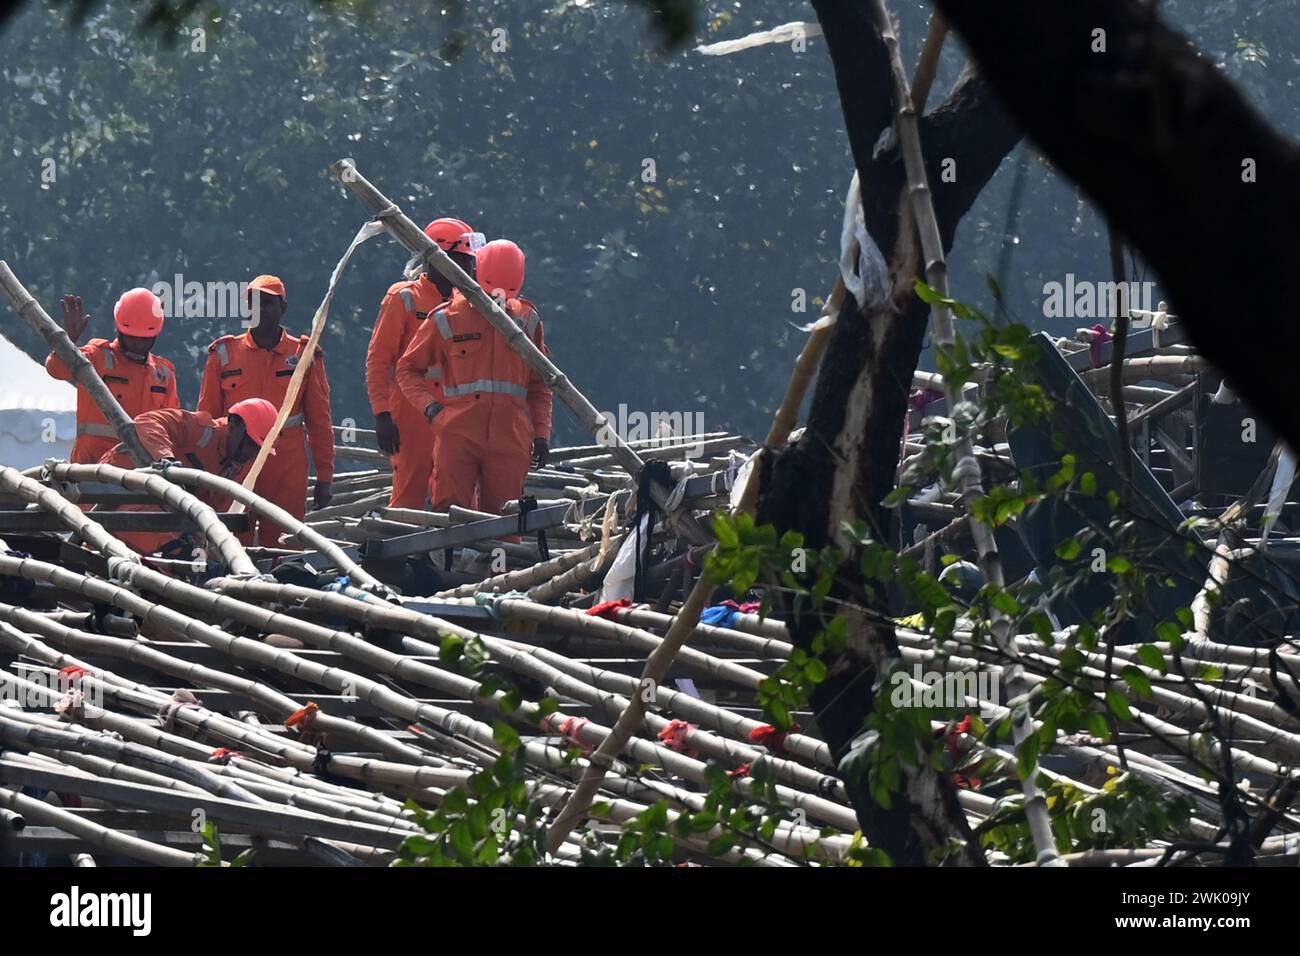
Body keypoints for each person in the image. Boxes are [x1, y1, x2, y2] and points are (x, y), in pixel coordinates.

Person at [395, 239, 552, 517]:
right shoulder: (447, 317)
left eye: (504, 295)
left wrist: (541, 433)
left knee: (506, 520)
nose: (498, 300)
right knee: (450, 515)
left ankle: (501, 562)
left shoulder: (528, 320)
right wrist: (430, 408)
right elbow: (407, 369)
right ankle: (447, 561)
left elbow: (540, 384)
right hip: (458, 432)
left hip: (510, 437)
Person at [197, 275, 335, 544]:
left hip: (287, 467)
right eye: (252, 303)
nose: (259, 310)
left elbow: (320, 421)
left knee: (285, 546)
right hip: (235, 465)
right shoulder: (223, 354)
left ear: (283, 308)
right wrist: (206, 472)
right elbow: (207, 419)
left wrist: (325, 476)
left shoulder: (304, 354)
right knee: (230, 541)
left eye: (267, 304)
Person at [366, 217, 480, 508]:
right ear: (438, 258)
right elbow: (379, 360)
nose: (470, 268)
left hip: (456, 407)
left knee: (461, 492)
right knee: (410, 490)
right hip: (411, 408)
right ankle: (400, 550)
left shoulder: (468, 304)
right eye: (462, 260)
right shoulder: (403, 297)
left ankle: (449, 553)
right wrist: (382, 414)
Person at [97, 398, 278, 555]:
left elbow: (212, 510)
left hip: (154, 502)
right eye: (250, 444)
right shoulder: (200, 430)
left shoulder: (232, 467)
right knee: (169, 545)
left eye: (257, 449)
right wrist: (166, 459)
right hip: (114, 484)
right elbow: (148, 421)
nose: (251, 453)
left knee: (186, 549)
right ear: (233, 425)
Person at [45, 288, 179, 464]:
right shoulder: (97, 357)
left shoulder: (164, 373)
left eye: (145, 338)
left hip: (143, 473)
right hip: (91, 471)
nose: (138, 344)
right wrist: (68, 341)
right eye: (132, 337)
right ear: (119, 329)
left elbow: (174, 427)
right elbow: (56, 370)